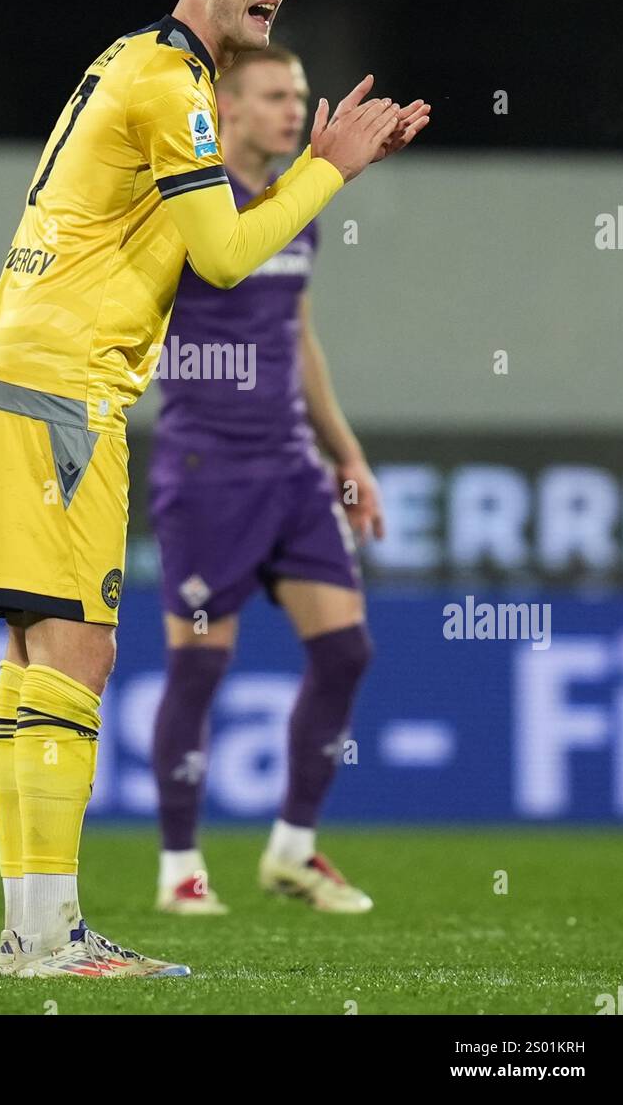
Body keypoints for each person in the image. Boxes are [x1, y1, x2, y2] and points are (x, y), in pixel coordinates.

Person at [0, 0, 429, 979]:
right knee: (76, 647)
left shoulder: (138, 65)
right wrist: (330, 170)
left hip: (10, 364)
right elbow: (220, 255)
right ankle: (47, 940)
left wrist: (320, 168)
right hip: (62, 380)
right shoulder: (172, 81)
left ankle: (33, 932)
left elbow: (199, 224)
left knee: (37, 650)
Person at [151, 46, 398, 915]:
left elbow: (297, 343)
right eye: (274, 95)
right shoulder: (182, 206)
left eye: (298, 93)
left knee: (345, 651)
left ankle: (293, 849)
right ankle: (180, 868)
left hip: (293, 469)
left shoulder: (300, 207)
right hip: (205, 469)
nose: (294, 109)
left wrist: (347, 456)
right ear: (225, 107)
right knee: (199, 671)